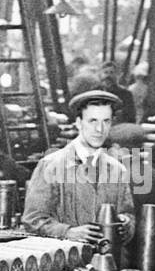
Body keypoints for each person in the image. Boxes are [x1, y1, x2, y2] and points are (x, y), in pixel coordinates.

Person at [21, 90, 135, 245]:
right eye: (92, 121)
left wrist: (125, 223)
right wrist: (67, 232)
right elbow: (32, 221)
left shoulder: (117, 169)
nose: (100, 129)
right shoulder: (51, 165)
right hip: (66, 262)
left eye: (106, 121)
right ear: (79, 123)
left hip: (107, 262)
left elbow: (128, 214)